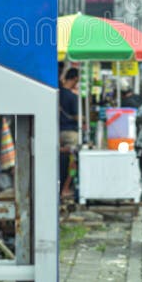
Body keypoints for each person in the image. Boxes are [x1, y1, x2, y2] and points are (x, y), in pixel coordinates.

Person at [59, 68, 80, 196]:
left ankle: (59, 185)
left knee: (60, 160)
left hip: (57, 131)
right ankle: (66, 187)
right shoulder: (72, 97)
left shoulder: (57, 93)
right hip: (71, 133)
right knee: (74, 161)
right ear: (75, 78)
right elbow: (77, 116)